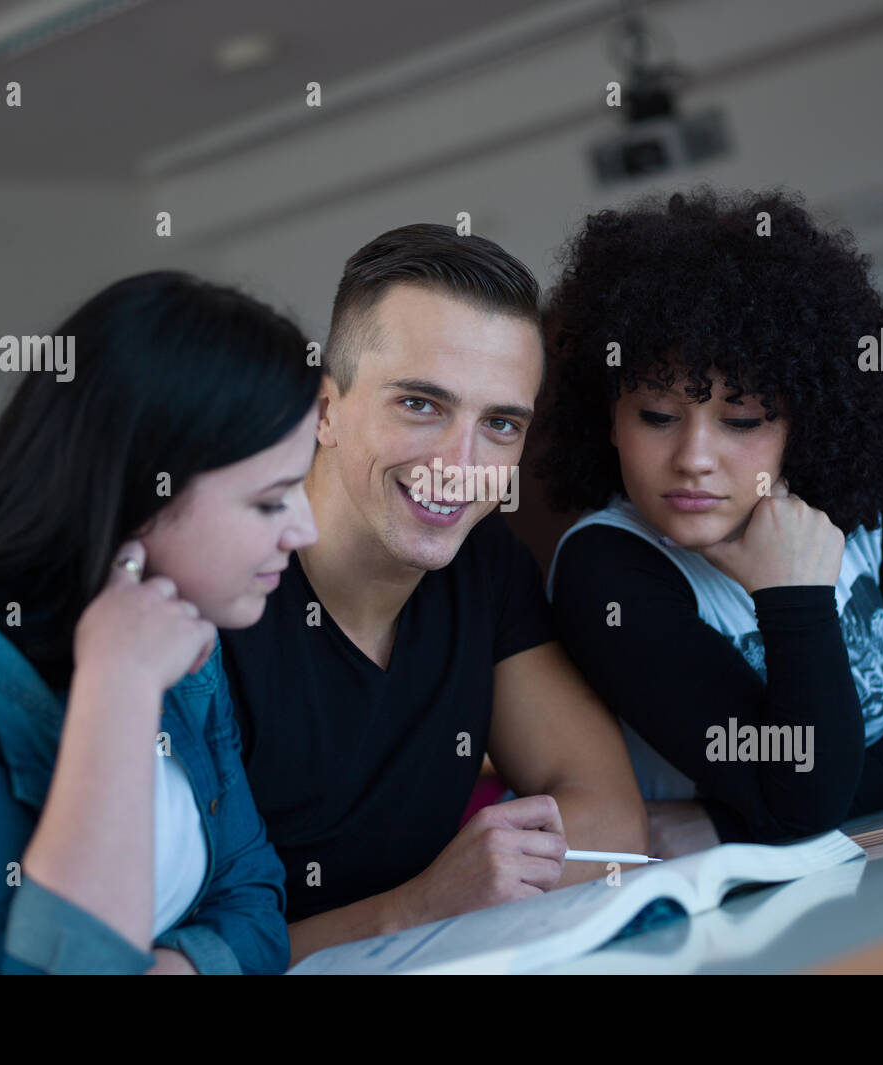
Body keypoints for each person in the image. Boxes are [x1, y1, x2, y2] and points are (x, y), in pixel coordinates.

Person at [0, 271, 319, 974]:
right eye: (271, 499)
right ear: (144, 490)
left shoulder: (175, 629)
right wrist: (119, 686)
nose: (308, 527)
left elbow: (256, 899)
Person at [219, 223, 648, 965]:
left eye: (501, 424)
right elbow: (161, 959)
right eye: (421, 404)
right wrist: (419, 905)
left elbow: (608, 815)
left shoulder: (484, 565)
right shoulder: (218, 590)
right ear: (323, 408)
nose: (461, 464)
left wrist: (451, 897)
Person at [539, 188, 883, 850]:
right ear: (608, 418)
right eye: (657, 416)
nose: (694, 459)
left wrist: (724, 821)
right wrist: (793, 598)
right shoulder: (606, 570)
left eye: (741, 421)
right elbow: (801, 798)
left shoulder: (870, 498)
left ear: (806, 420)